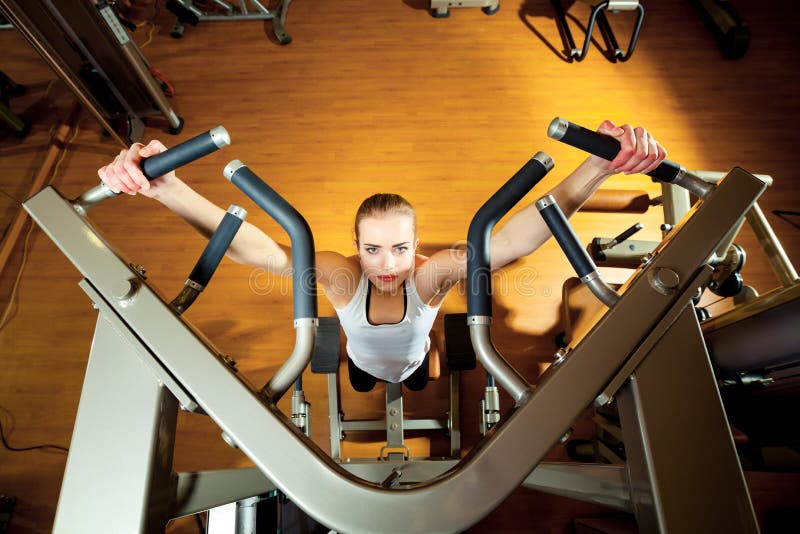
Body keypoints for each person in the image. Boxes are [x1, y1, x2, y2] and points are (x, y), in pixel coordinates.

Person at [98, 120, 666, 392]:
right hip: (363, 362)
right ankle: (373, 376)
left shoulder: (430, 278)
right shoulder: (343, 280)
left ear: (417, 248)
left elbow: (515, 240)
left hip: (419, 360)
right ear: (357, 248)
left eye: (399, 248)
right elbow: (264, 254)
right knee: (362, 378)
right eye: (372, 249)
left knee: (423, 377)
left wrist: (597, 167)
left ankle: (419, 371)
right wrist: (167, 188)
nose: (387, 263)